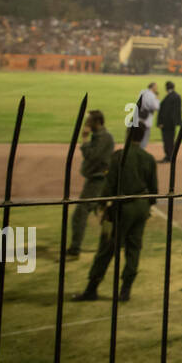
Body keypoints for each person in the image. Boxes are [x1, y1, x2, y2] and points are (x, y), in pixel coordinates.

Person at [72, 125, 158, 302]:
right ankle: (125, 290)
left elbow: (108, 184)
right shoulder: (148, 158)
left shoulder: (118, 157)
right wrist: (147, 206)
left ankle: (92, 288)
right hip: (141, 206)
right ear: (142, 138)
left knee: (107, 248)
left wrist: (102, 205)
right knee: (134, 249)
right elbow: (154, 189)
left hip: (122, 207)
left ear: (127, 135)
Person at [67, 110, 113, 257]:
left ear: (97, 122)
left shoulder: (103, 138)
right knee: (105, 215)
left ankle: (75, 248)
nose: (86, 125)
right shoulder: (100, 137)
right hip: (96, 181)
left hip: (97, 182)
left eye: (89, 122)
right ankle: (110, 245)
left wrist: (84, 139)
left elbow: (91, 156)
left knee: (80, 215)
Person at [158, 80, 182, 163]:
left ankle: (169, 156)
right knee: (170, 139)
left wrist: (161, 122)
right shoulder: (176, 96)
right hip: (172, 123)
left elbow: (166, 111)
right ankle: (170, 155)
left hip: (167, 123)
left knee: (167, 140)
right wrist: (177, 122)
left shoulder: (170, 97)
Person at [135, 82, 160, 151]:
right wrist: (157, 99)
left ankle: (136, 149)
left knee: (137, 135)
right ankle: (141, 151)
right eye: (156, 87)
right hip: (147, 119)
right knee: (145, 136)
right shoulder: (152, 95)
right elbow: (156, 107)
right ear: (153, 87)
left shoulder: (142, 92)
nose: (156, 88)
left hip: (138, 116)